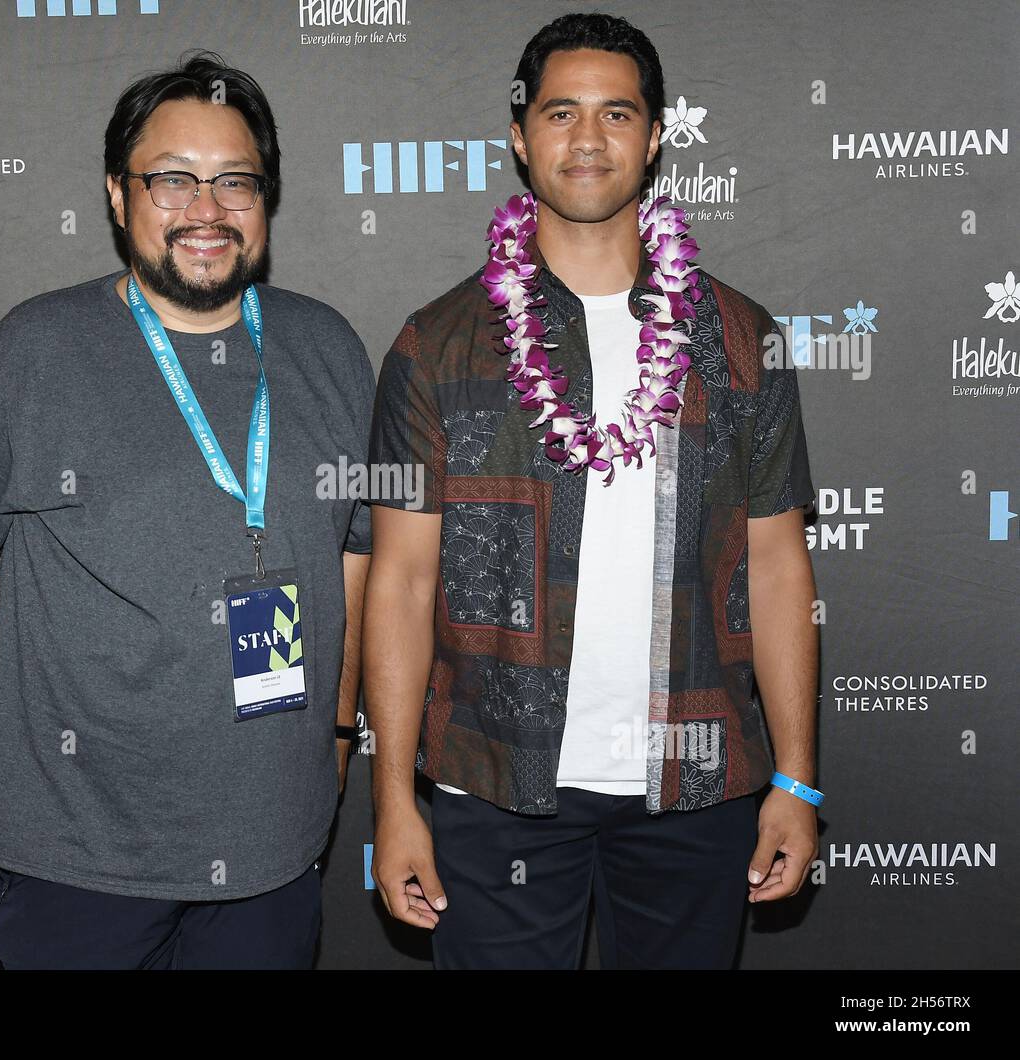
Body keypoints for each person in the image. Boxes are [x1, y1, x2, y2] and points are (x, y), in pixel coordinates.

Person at [363, 12, 821, 970]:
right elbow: (400, 584)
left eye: (618, 113)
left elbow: (777, 567)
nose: (587, 138)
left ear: (656, 138)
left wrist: (797, 781)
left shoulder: (740, 338)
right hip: (493, 781)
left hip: (696, 784)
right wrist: (394, 803)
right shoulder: (435, 346)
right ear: (520, 135)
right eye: (561, 111)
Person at [0, 50, 375, 970]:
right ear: (117, 194)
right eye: (173, 179)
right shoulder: (29, 352)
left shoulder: (328, 347)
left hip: (271, 838)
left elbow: (353, 558)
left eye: (234, 182)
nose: (205, 210)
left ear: (266, 200)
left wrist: (334, 729)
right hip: (74, 843)